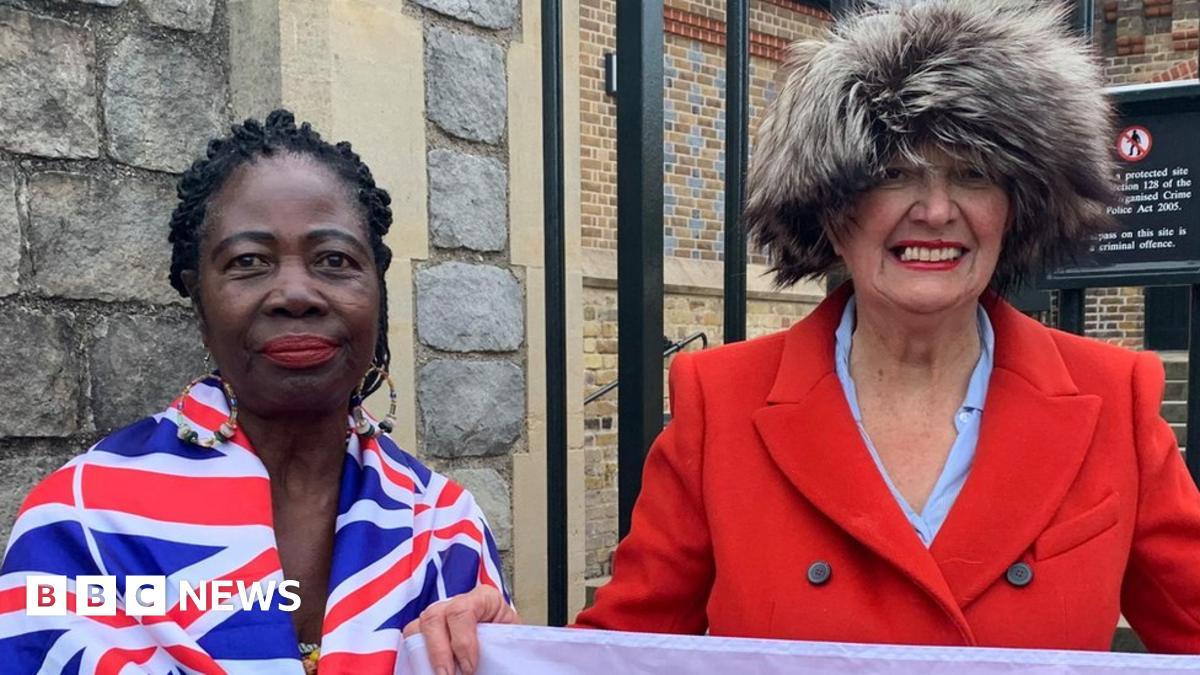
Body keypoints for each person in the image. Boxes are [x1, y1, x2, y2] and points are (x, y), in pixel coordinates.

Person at [407, 1, 1200, 671]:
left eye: (973, 173)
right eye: (893, 173)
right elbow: (626, 650)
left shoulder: (1112, 396)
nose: (934, 209)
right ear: (827, 204)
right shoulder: (721, 400)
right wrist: (500, 639)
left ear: (1017, 205)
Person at [0, 110, 508, 674]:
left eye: (334, 260)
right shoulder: (83, 520)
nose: (295, 293)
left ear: (377, 294)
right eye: (248, 262)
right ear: (199, 303)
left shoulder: (443, 525)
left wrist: (513, 655)